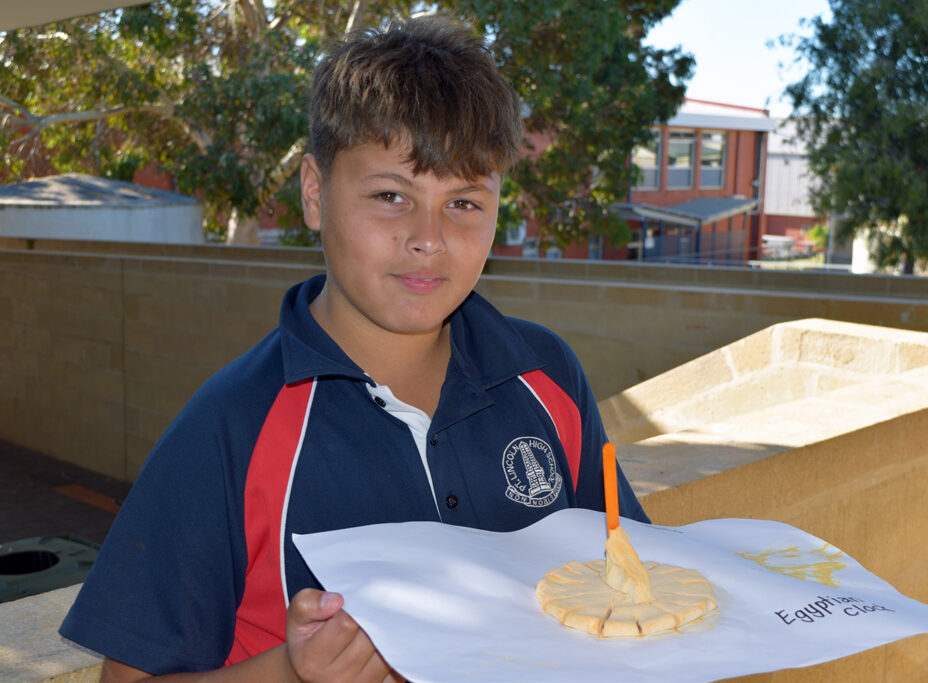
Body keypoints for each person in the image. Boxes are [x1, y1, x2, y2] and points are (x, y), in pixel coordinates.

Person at [59, 15, 648, 682]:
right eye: (391, 195)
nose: (428, 238)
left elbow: (628, 595)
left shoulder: (547, 378)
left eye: (463, 202)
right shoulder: (235, 424)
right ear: (314, 193)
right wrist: (289, 671)